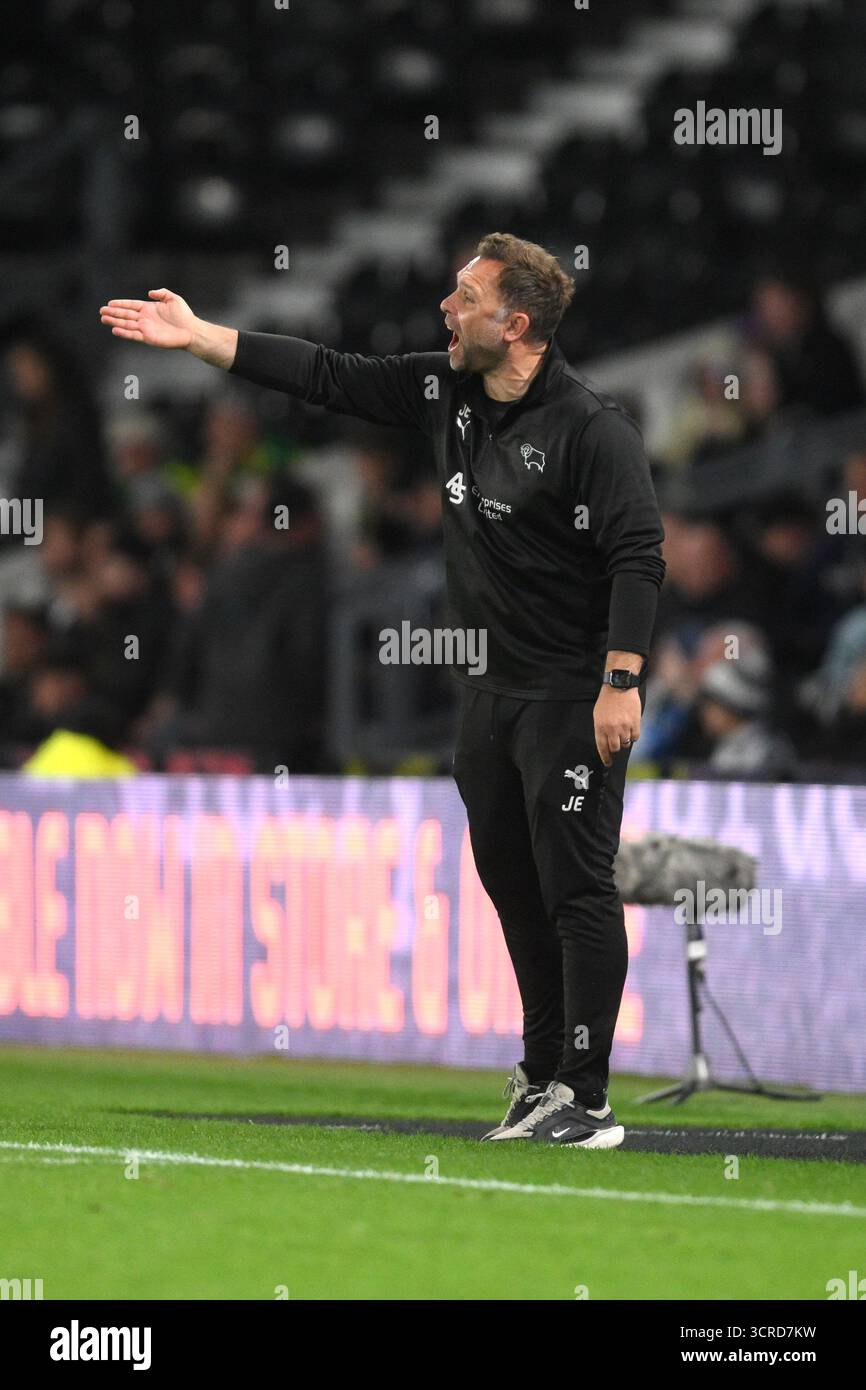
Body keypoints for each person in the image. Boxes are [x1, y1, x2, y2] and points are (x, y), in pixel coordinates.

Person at [100, 231, 666, 1150]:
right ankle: (540, 1080)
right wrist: (206, 338)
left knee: (576, 888)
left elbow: (639, 557)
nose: (447, 309)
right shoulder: (444, 385)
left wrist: (621, 682)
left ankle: (589, 1095)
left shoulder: (592, 431)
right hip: (488, 696)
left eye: (467, 298)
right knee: (512, 888)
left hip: (571, 693)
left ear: (516, 325)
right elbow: (328, 373)